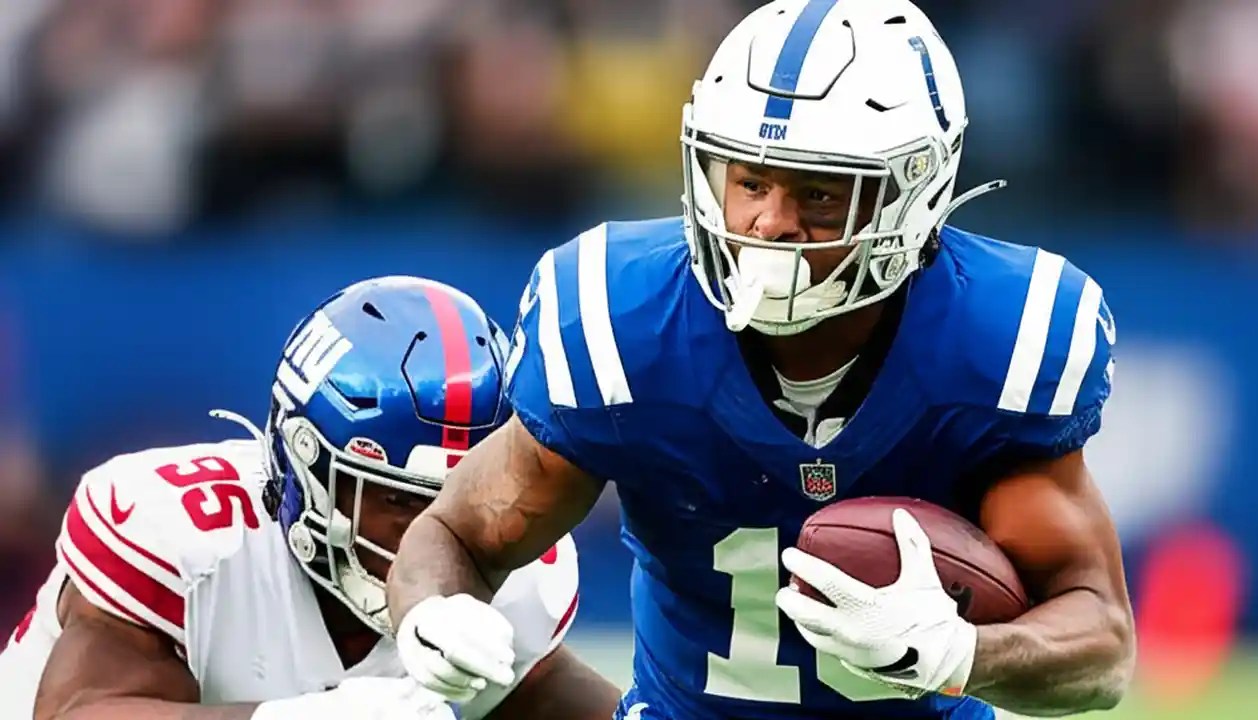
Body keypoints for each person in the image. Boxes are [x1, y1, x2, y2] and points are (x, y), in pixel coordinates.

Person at [386, 1, 1137, 718]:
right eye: (749, 182)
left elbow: (1101, 645)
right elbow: (456, 534)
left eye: (819, 194)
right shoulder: (627, 320)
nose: (769, 223)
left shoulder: (993, 339)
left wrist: (960, 651)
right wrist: (432, 612)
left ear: (913, 195)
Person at [0, 276, 620, 720]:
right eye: (398, 501)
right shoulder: (192, 541)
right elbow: (77, 712)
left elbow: (540, 691)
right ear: (304, 468)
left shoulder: (514, 565)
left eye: (460, 498)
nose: (439, 531)